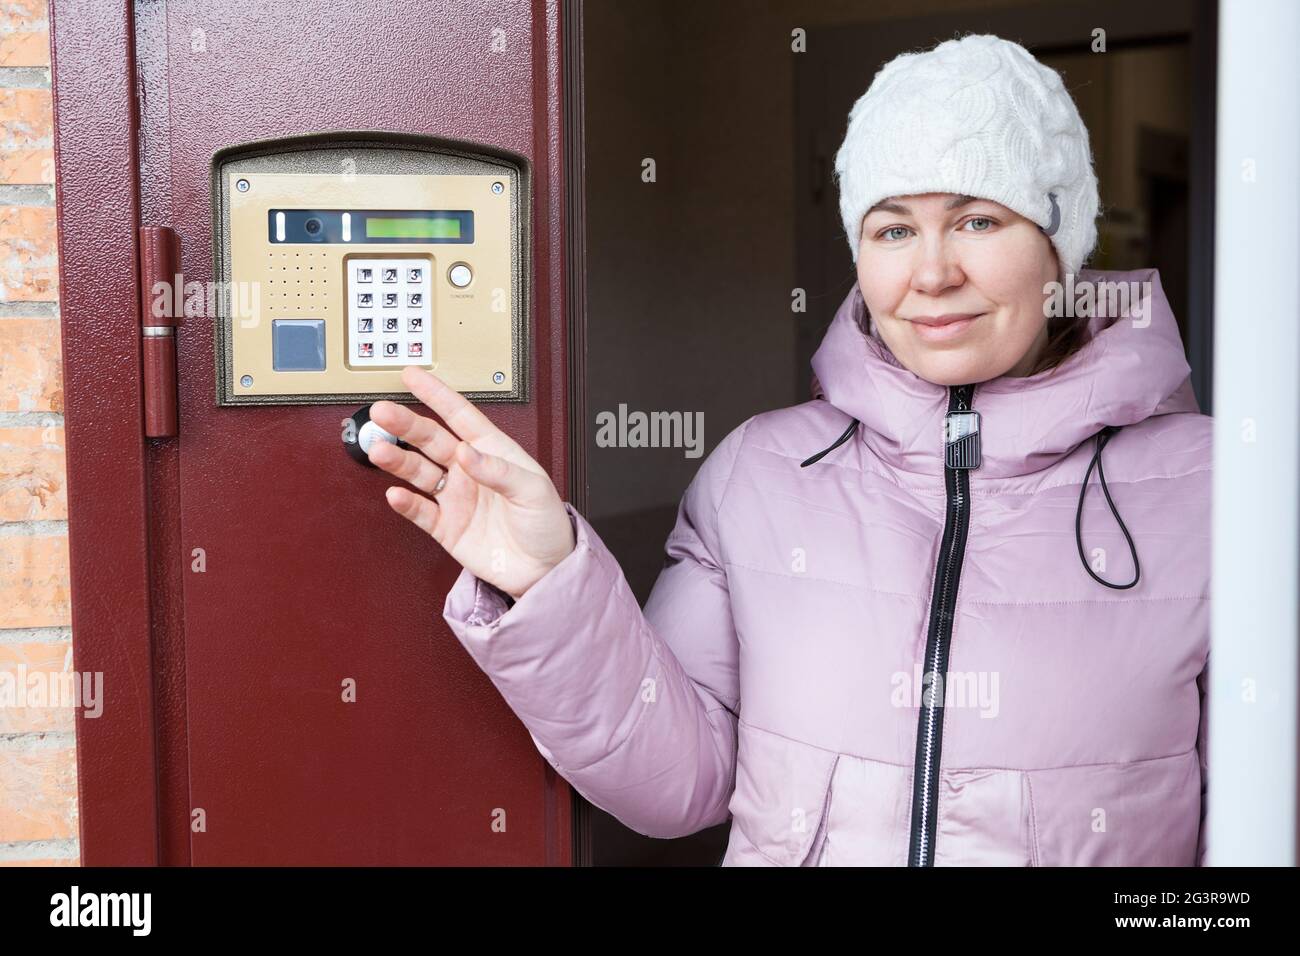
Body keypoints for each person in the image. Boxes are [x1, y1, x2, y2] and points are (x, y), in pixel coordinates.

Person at [365, 33, 1211, 866]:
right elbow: (679, 787)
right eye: (891, 230)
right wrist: (550, 586)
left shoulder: (1219, 495)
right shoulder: (760, 474)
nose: (933, 272)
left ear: (1060, 245)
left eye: (978, 219)